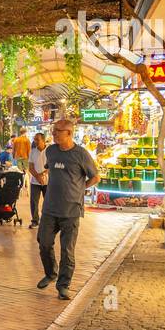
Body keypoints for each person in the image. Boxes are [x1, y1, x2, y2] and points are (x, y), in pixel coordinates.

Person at [37, 118, 99, 301]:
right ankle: (51, 273)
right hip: (49, 208)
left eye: (57, 131)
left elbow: (95, 177)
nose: (54, 133)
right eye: (53, 130)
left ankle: (63, 286)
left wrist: (80, 189)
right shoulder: (51, 151)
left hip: (71, 210)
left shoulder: (81, 154)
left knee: (67, 250)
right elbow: (49, 168)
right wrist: (43, 175)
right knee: (44, 242)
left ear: (69, 133)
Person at [27, 132, 49, 229]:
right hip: (35, 181)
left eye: (37, 139)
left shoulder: (49, 151)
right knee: (34, 201)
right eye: (34, 139)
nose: (35, 141)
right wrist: (37, 177)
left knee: (48, 201)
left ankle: (46, 221)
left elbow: (51, 166)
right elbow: (30, 167)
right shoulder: (33, 151)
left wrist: (42, 174)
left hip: (48, 181)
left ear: (43, 140)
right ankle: (35, 220)